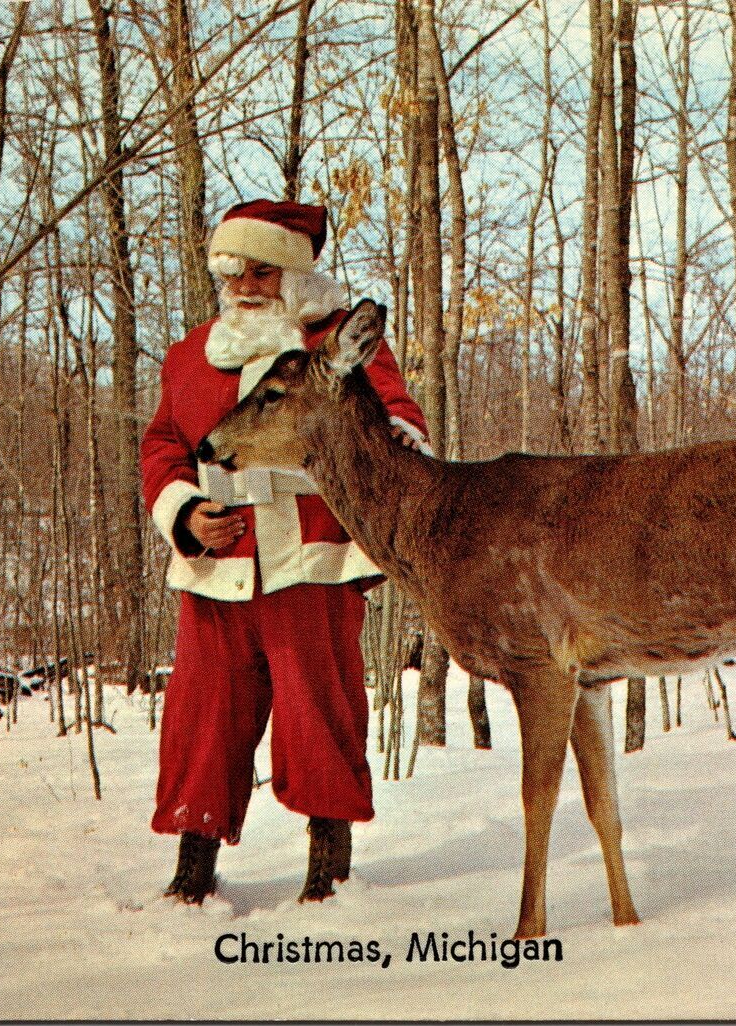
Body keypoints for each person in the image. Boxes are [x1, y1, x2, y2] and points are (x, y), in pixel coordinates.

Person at [140, 199, 430, 904]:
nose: (244, 285)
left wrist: (397, 437)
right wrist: (185, 513)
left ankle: (327, 869)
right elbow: (162, 447)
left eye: (262, 272)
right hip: (220, 567)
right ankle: (193, 869)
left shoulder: (332, 343)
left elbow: (394, 412)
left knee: (318, 710)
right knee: (204, 718)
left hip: (313, 558)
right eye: (232, 271)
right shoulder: (191, 354)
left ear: (295, 275)